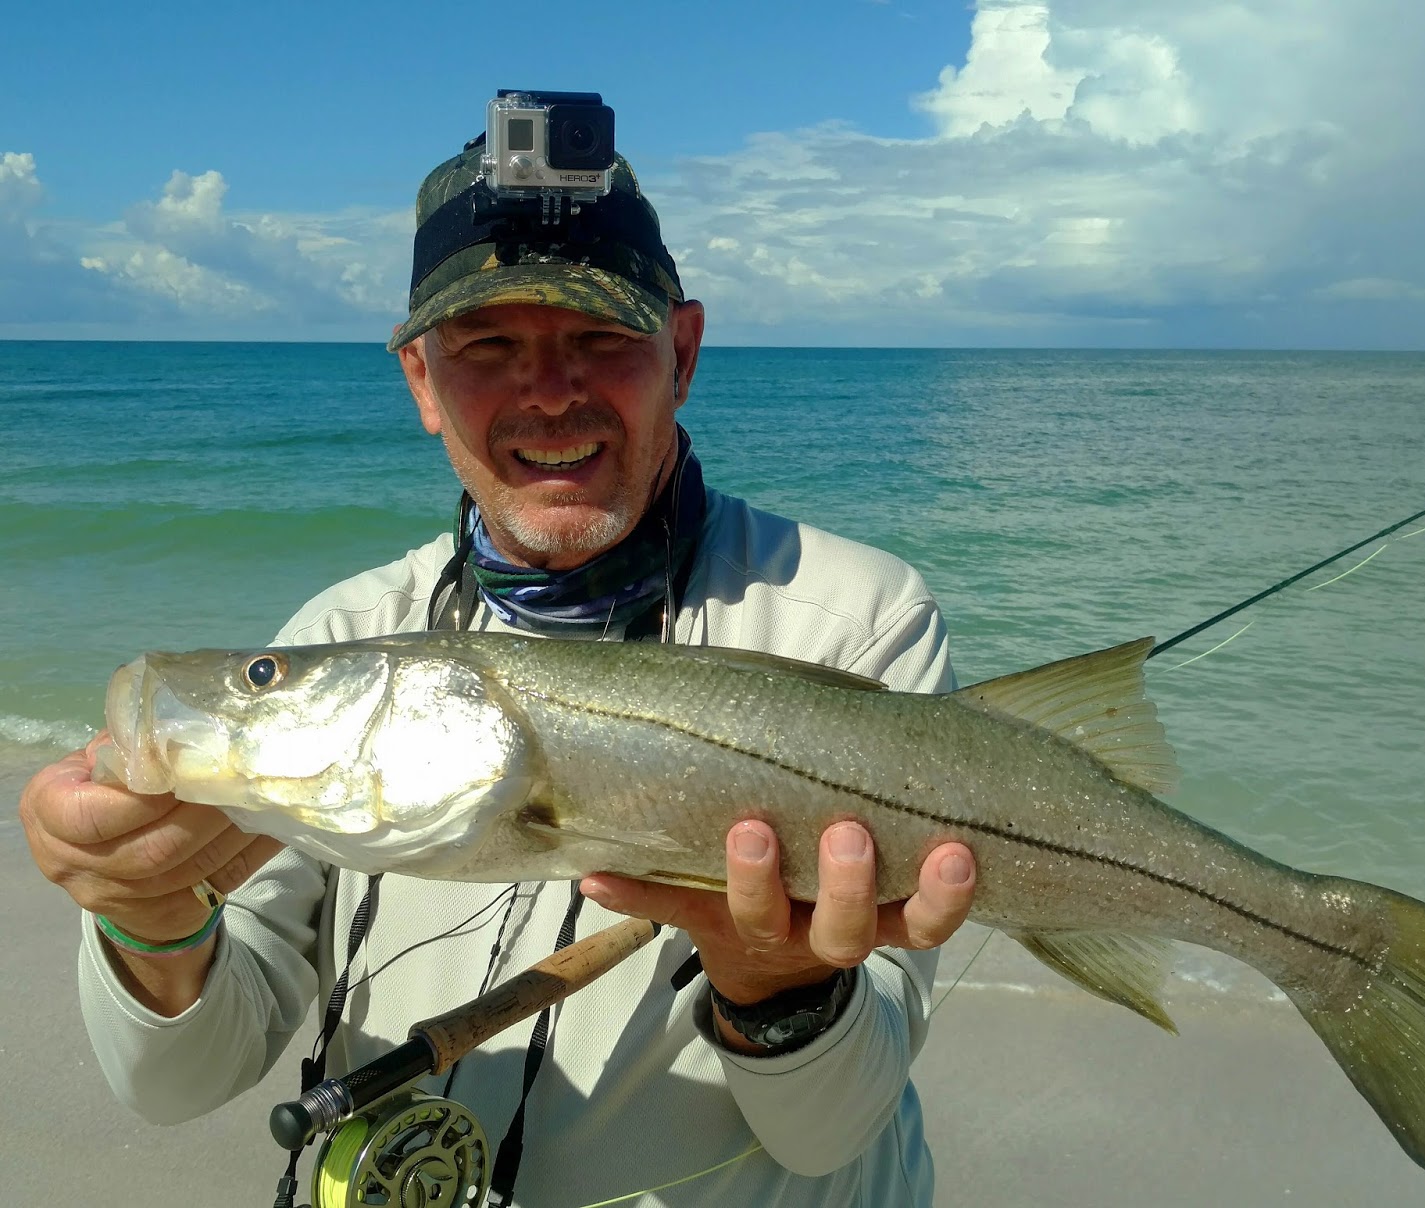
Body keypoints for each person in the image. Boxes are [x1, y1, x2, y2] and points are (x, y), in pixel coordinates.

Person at [17, 128, 979, 1206]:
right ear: (420, 380)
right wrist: (152, 916)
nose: (551, 391)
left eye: (601, 335)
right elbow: (177, 1080)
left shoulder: (856, 622)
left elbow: (831, 1130)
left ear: (683, 353)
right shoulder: (350, 629)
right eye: (485, 345)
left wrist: (778, 986)